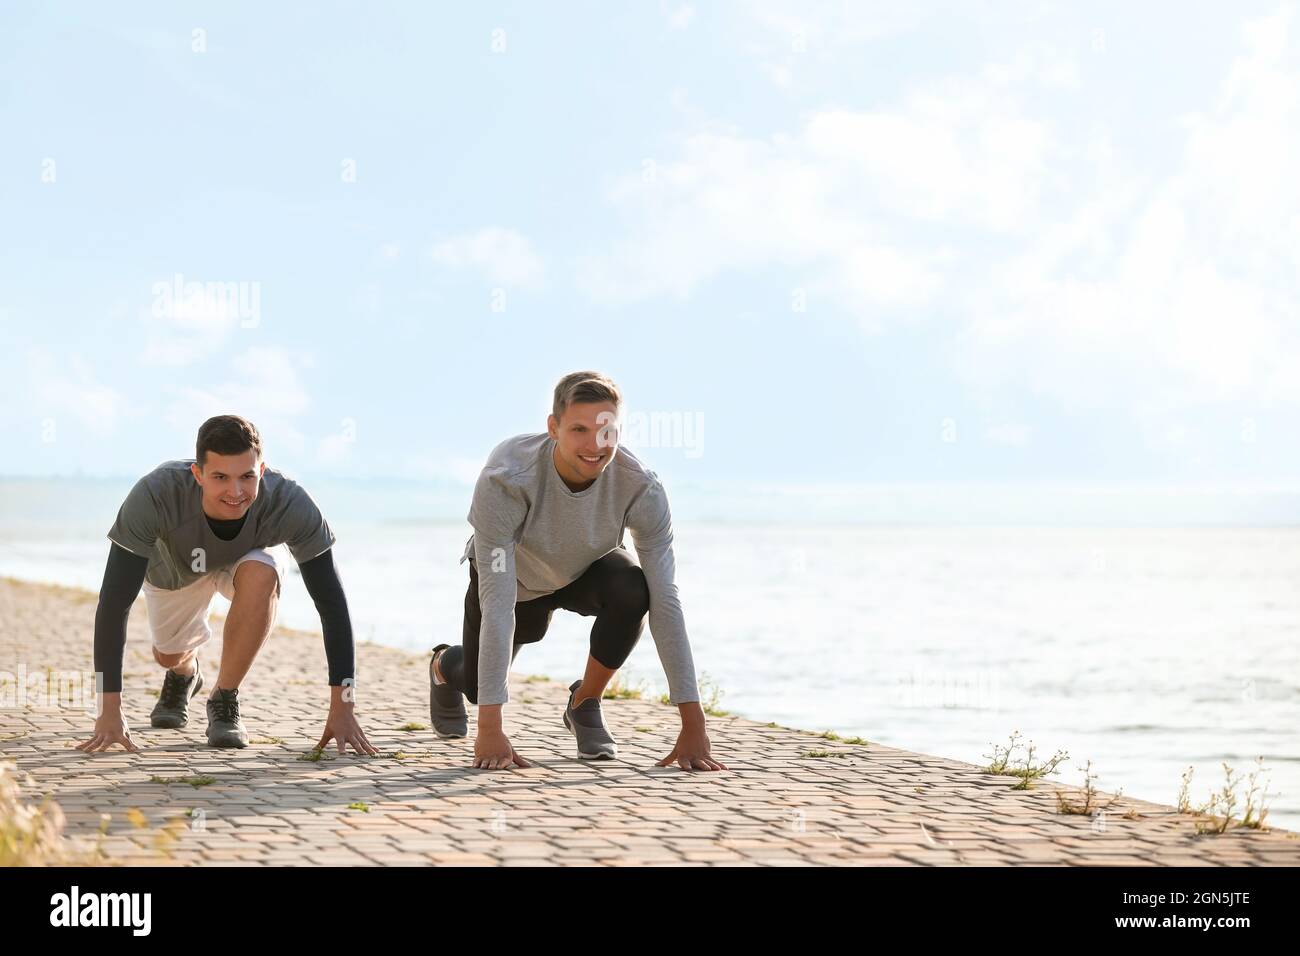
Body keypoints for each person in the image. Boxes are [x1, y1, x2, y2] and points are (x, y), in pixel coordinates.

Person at [429, 371, 727, 772]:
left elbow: (666, 602)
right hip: (515, 581)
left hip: (585, 571)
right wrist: (490, 728)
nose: (594, 445)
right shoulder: (506, 478)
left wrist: (694, 725)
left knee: (634, 588)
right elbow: (498, 604)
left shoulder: (641, 488)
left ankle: (585, 702)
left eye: (606, 431)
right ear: (553, 427)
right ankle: (445, 666)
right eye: (579, 429)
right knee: (477, 685)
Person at [76, 414, 376, 755]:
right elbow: (115, 605)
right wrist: (108, 711)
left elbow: (332, 604)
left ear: (261, 471)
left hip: (245, 560)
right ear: (198, 474)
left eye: (247, 476)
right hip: (176, 570)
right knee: (168, 655)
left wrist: (344, 708)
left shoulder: (290, 503)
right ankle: (186, 671)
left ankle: (224, 697)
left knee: (264, 573)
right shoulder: (155, 495)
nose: (235, 492)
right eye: (220, 477)